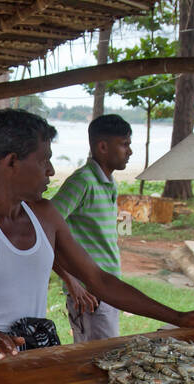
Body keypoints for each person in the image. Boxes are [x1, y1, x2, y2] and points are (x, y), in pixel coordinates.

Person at [0, 109, 194, 366]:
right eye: (44, 159)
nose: (50, 170)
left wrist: (179, 316)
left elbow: (99, 280)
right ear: (11, 162)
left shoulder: (45, 215)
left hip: (36, 345)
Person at [49, 113, 131, 342]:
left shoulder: (107, 181)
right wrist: (71, 281)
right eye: (124, 144)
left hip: (109, 290)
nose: (130, 152)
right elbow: (42, 231)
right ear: (103, 147)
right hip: (91, 295)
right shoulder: (82, 181)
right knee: (98, 360)